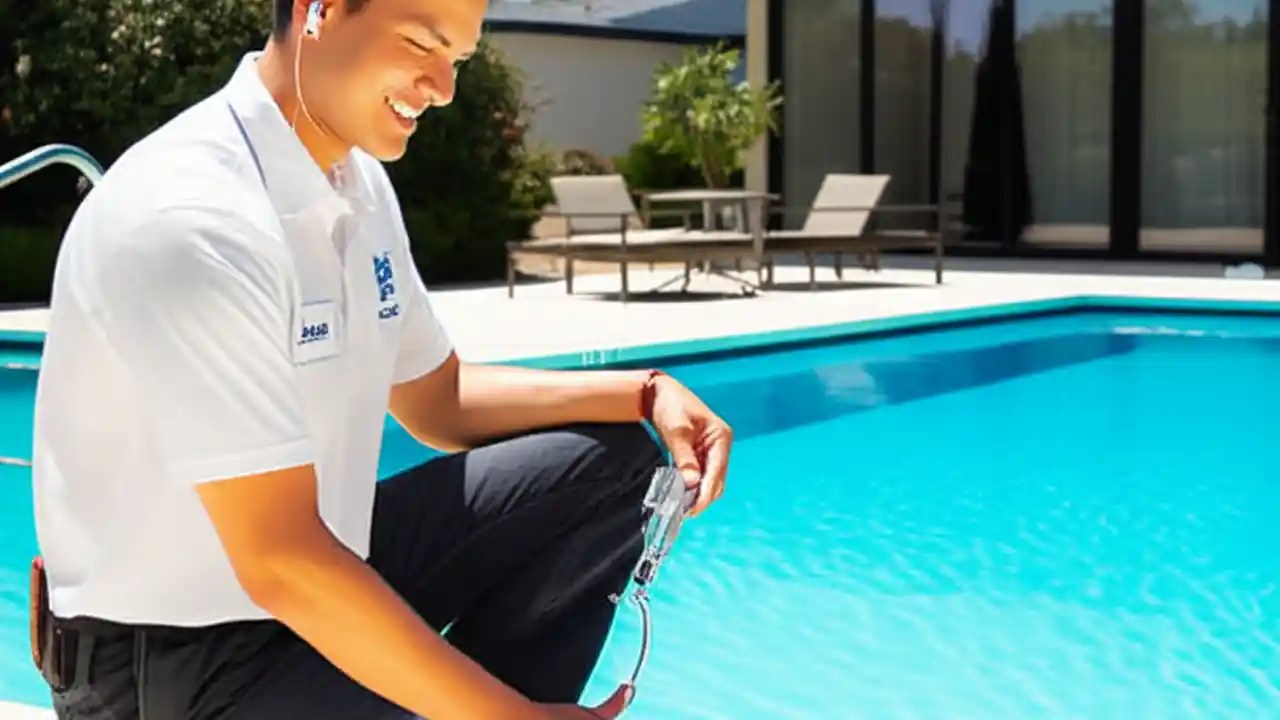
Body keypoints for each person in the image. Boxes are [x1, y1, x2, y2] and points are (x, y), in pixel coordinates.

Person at [27, 0, 733, 718]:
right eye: (422, 45)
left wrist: (646, 394)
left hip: (306, 586)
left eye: (456, 59)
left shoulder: (354, 183)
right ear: (320, 10)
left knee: (612, 465)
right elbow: (282, 562)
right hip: (171, 667)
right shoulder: (191, 221)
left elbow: (439, 403)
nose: (444, 88)